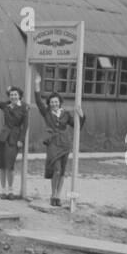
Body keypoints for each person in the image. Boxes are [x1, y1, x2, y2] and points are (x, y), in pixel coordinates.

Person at [33, 72, 85, 207]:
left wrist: (81, 115)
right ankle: (53, 194)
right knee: (55, 169)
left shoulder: (66, 114)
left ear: (59, 102)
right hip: (53, 143)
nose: (54, 104)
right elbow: (38, 102)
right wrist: (37, 85)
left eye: (56, 102)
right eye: (52, 102)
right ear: (49, 104)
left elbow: (77, 126)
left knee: (62, 171)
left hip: (65, 143)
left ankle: (58, 195)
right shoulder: (46, 112)